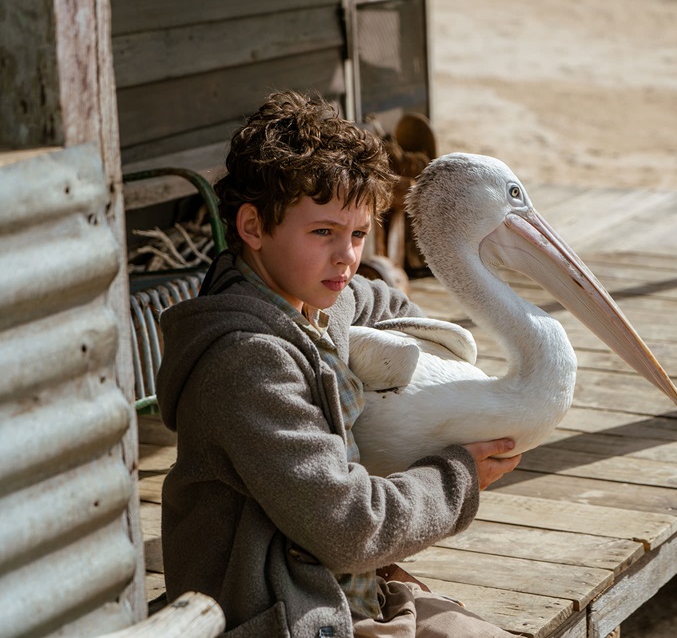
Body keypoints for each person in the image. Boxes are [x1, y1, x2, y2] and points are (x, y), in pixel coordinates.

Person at [156, 90, 521, 637]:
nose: (346, 257)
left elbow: (388, 307)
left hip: (353, 593)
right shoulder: (246, 362)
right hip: (289, 617)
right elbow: (348, 528)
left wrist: (416, 371)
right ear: (253, 226)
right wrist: (457, 476)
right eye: (322, 232)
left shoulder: (321, 300)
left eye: (357, 234)